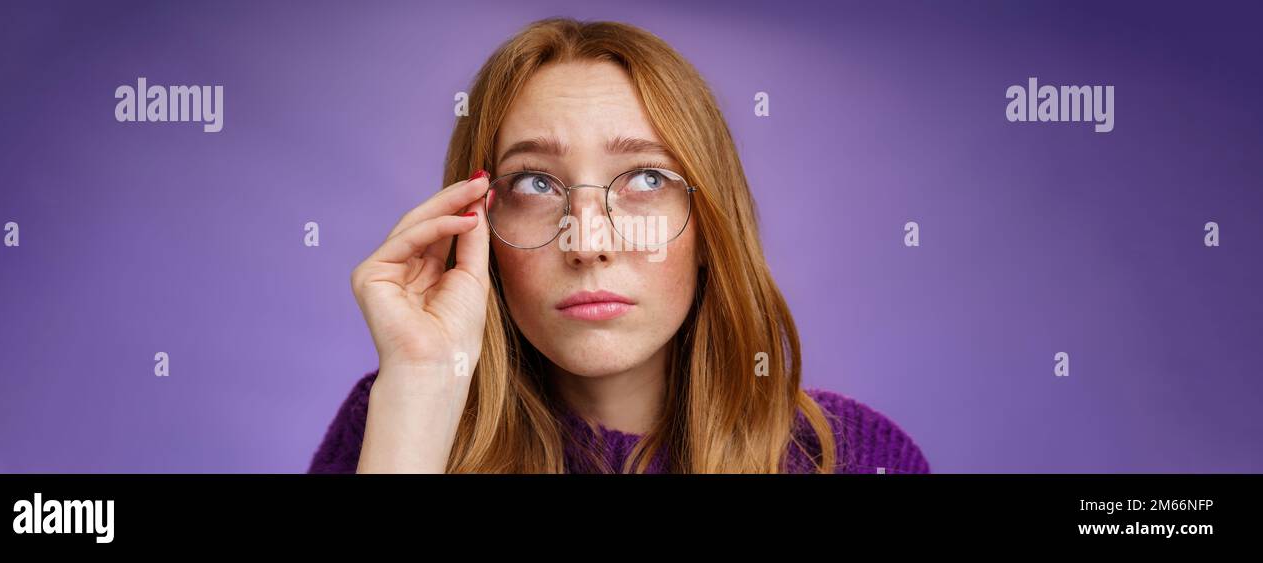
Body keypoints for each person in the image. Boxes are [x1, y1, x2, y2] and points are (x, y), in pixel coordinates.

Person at [308, 17, 929, 474]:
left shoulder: (850, 457)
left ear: (710, 226)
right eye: (534, 182)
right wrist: (421, 387)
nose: (588, 242)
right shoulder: (392, 423)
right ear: (475, 226)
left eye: (646, 180)